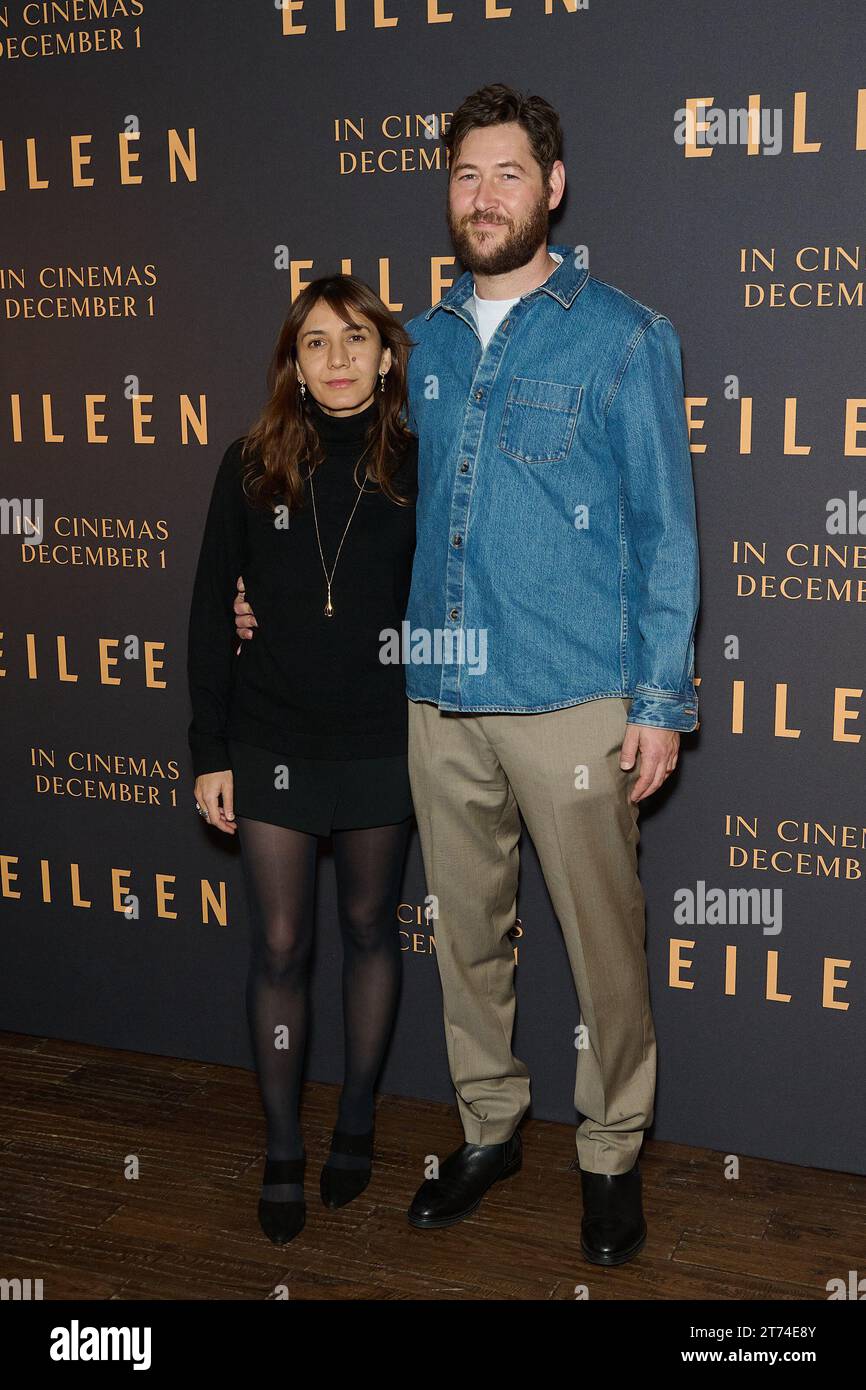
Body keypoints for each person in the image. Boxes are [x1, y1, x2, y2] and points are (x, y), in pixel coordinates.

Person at [232, 83, 701, 1267]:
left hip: (574, 700)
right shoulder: (418, 347)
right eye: (462, 176)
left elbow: (665, 534)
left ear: (551, 188)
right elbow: (351, 477)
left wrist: (656, 703)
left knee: (603, 946)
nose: (481, 196)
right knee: (463, 944)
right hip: (437, 701)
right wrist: (269, 592)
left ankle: (608, 1149)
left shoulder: (625, 337)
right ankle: (488, 1127)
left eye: (505, 174)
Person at [186, 275, 418, 1246]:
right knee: (280, 946)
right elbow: (208, 609)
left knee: (369, 930)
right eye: (314, 341)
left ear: (384, 354)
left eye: (353, 339)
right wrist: (210, 750)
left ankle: (355, 1120)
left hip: (380, 738)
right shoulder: (248, 463)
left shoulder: (419, 460)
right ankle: (282, 1144)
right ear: (292, 358)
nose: (334, 359)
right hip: (271, 736)